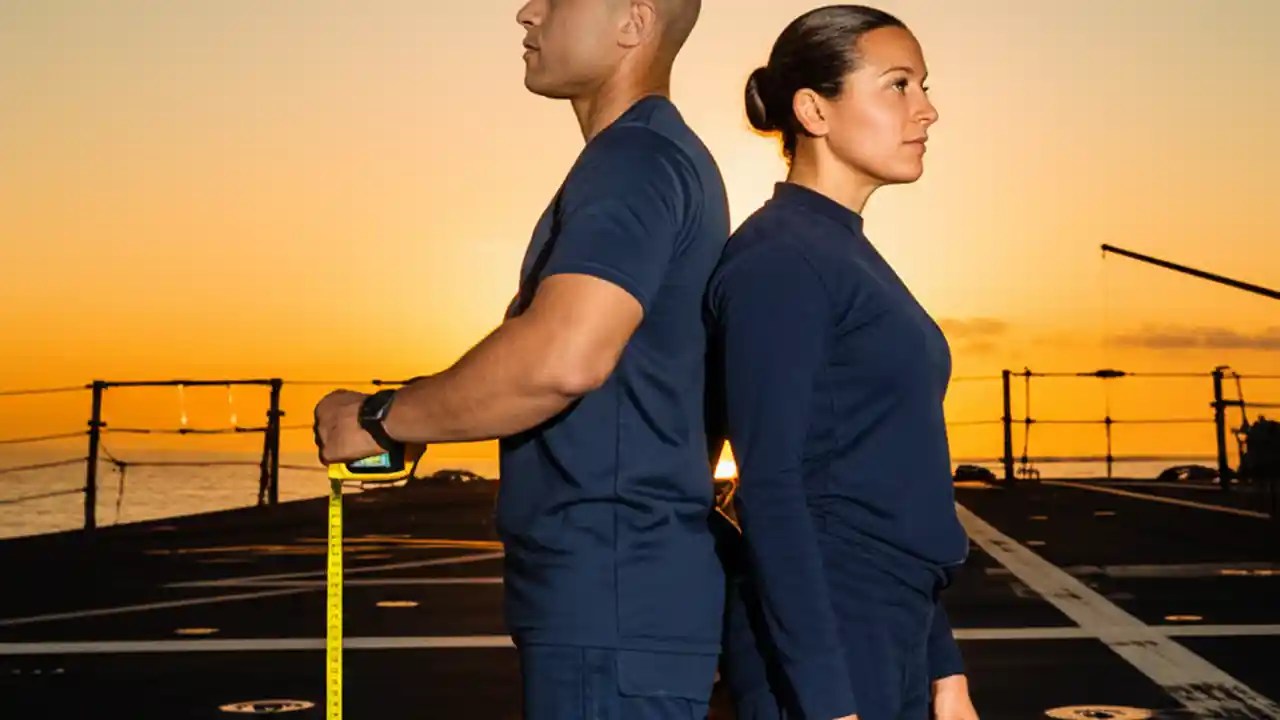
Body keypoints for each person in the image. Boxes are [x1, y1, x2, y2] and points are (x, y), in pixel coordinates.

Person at [313, 1, 730, 718]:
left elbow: (562, 358)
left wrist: (383, 420)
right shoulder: (658, 158)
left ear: (633, 22)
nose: (526, 12)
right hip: (627, 604)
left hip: (609, 601)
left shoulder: (633, 162)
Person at [706, 6, 979, 720]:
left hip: (892, 626)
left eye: (922, 85)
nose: (928, 109)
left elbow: (893, 486)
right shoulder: (780, 261)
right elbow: (772, 489)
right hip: (829, 637)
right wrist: (827, 701)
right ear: (813, 109)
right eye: (898, 85)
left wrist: (943, 671)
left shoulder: (842, 252)